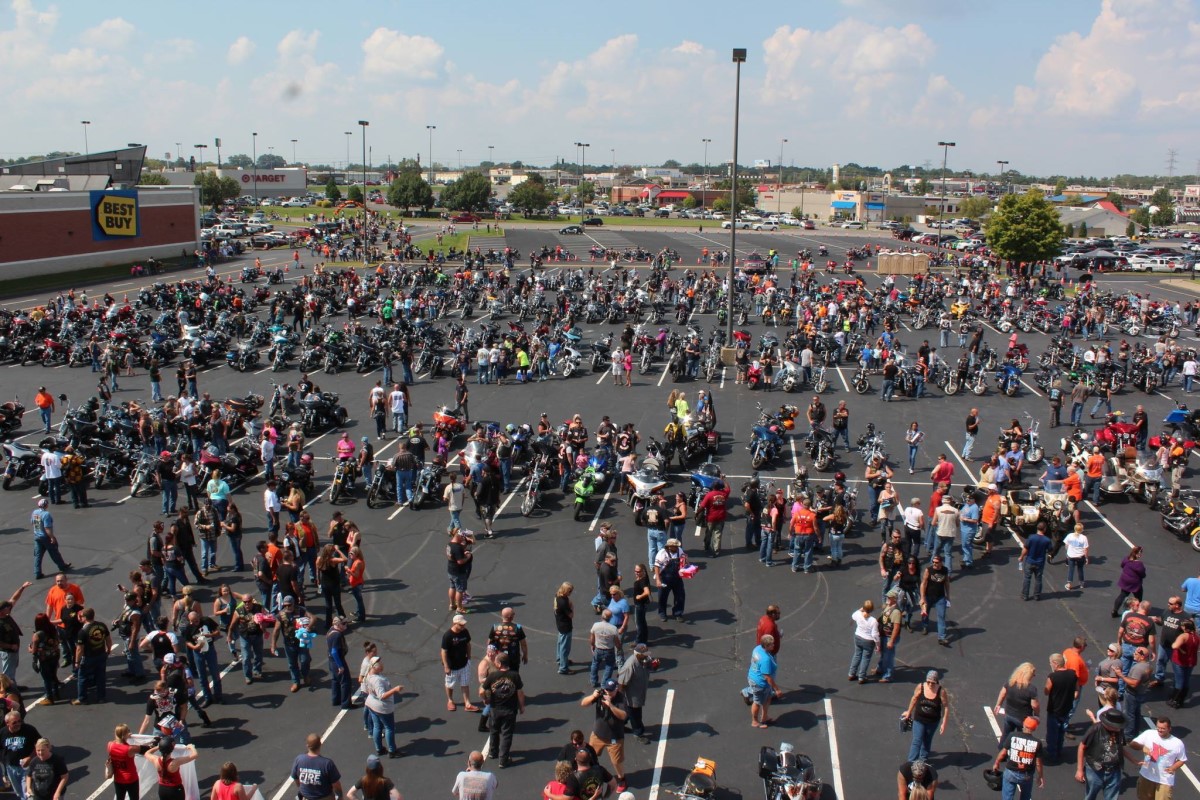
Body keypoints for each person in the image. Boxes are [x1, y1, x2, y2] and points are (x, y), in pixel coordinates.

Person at [581, 678, 629, 792]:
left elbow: (623, 716)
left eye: (611, 690)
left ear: (616, 689)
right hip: (598, 735)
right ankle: (591, 775)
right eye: (607, 689)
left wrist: (611, 705)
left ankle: (621, 779)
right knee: (590, 756)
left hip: (614, 737)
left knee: (616, 761)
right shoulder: (600, 695)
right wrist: (593, 696)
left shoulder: (622, 699)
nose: (608, 692)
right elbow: (583, 703)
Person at [480, 652, 524, 769]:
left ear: (499, 664)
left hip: (495, 709)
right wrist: (522, 706)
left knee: (494, 731)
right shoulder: (515, 676)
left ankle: (493, 752)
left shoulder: (492, 676)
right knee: (506, 734)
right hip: (509, 710)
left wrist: (486, 700)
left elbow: (481, 691)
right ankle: (503, 760)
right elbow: (520, 692)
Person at [1129, 716, 1187, 799]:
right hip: (1146, 776)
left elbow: (1182, 759)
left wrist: (1173, 767)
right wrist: (1142, 747)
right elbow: (1132, 744)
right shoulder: (1149, 733)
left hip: (1164, 781)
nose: (1160, 730)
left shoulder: (1177, 743)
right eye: (1158, 727)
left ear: (1169, 729)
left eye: (1163, 728)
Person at [1075, 709, 1126, 800]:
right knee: (1090, 796)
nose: (1119, 728)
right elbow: (1082, 747)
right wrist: (1079, 770)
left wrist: (1134, 760)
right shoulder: (1095, 729)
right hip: (1095, 771)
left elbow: (1121, 748)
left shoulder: (1119, 731)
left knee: (1112, 797)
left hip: (1114, 771)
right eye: (1116, 726)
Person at [991, 717, 1045, 800]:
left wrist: (996, 763)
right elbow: (1038, 763)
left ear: (1024, 725)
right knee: (1026, 796)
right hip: (1026, 775)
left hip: (1011, 772)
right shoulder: (1037, 742)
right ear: (1034, 728)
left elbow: (1003, 752)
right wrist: (1040, 776)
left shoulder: (1013, 736)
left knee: (1007, 797)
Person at [902, 671, 948, 763]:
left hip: (932, 722)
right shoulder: (921, 687)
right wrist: (909, 712)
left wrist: (944, 723)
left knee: (927, 741)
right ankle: (911, 763)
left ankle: (923, 761)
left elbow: (945, 707)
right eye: (928, 682)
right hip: (919, 719)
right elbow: (914, 699)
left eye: (933, 682)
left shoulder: (941, 691)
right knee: (917, 741)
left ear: (936, 682)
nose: (930, 684)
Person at [363, 656, 403, 758]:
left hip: (372, 704)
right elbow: (382, 696)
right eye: (380, 664)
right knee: (389, 728)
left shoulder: (369, 675)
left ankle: (379, 749)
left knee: (377, 726)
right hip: (383, 708)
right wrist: (395, 689)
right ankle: (392, 750)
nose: (382, 665)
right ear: (375, 667)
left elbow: (367, 690)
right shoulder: (377, 680)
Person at [1044, 653, 1079, 762]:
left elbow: (1046, 691)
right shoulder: (1073, 674)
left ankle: (1052, 754)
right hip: (1066, 708)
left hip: (1054, 709)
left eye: (1051, 663)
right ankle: (1059, 750)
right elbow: (1076, 691)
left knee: (1052, 734)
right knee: (1061, 732)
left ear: (1055, 663)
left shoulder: (1052, 677)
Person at [72, 607, 111, 704]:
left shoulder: (83, 631)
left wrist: (77, 661)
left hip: (88, 657)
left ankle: (82, 698)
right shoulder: (102, 625)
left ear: (85, 617)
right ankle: (101, 697)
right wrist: (108, 650)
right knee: (100, 677)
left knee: (82, 678)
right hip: (101, 654)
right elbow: (108, 639)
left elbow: (80, 649)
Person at [441, 614, 478, 712]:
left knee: (465, 683)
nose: (463, 627)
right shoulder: (448, 635)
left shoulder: (465, 632)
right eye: (460, 625)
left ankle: (467, 703)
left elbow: (468, 644)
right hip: (452, 666)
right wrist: (446, 666)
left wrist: (469, 657)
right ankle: (450, 700)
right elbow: (443, 651)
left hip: (464, 663)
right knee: (450, 684)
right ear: (455, 623)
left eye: (463, 625)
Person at [291, 733, 344, 800]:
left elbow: (296, 779)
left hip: (306, 797)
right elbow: (336, 785)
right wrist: (340, 797)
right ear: (320, 744)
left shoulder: (299, 760)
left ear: (307, 745)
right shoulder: (327, 764)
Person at [1, 711, 40, 800]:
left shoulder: (29, 730)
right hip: (11, 768)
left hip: (27, 768)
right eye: (14, 722)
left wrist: (30, 757)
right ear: (7, 723)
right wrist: (5, 771)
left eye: (20, 721)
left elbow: (41, 745)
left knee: (27, 793)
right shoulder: (2, 733)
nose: (18, 724)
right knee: (19, 793)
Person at [995, 662, 1041, 738]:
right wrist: (1036, 715)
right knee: (1021, 737)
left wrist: (998, 704)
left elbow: (1002, 693)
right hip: (1023, 719)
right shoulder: (1031, 689)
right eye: (1033, 674)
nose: (1033, 676)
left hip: (1009, 715)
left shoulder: (1010, 683)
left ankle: (1002, 748)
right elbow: (1034, 705)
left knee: (1006, 734)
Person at [617, 643, 651, 743]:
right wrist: (620, 697)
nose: (647, 655)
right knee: (635, 715)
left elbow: (648, 664)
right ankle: (638, 733)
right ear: (637, 654)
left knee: (628, 713)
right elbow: (621, 683)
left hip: (639, 692)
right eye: (644, 654)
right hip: (632, 696)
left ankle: (618, 726)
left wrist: (653, 665)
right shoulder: (630, 665)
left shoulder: (643, 659)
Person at [746, 633, 782, 728]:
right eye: (771, 644)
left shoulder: (757, 648)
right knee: (757, 702)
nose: (773, 645)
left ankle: (764, 717)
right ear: (766, 646)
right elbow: (767, 676)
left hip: (754, 678)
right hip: (760, 684)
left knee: (768, 697)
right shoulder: (765, 659)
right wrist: (777, 689)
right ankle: (755, 721)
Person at [108, 724, 151, 800]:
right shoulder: (130, 749)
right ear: (124, 735)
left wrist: (125, 736)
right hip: (131, 779)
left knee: (120, 798)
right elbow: (145, 748)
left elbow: (116, 741)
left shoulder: (110, 745)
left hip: (118, 779)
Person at [30, 500, 70, 580]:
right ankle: (62, 566)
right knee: (54, 552)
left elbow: (33, 523)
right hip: (45, 537)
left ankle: (37, 572)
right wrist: (51, 537)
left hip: (37, 537)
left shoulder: (35, 512)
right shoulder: (46, 514)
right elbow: (47, 527)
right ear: (46, 505)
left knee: (38, 555)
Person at [919, 555, 951, 647]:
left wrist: (948, 596)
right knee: (925, 613)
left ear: (941, 562)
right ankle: (925, 626)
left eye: (936, 562)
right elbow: (923, 583)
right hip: (928, 596)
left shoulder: (945, 570)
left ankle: (941, 637)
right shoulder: (928, 570)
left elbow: (947, 583)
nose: (934, 564)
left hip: (940, 597)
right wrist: (922, 597)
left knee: (941, 616)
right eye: (933, 562)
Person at [1169, 618, 1200, 708]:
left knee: (1179, 681)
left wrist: (1181, 649)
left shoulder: (1183, 636)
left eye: (1183, 626)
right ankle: (1181, 700)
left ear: (1186, 628)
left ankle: (1174, 700)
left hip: (1180, 661)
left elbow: (1174, 645)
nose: (1181, 627)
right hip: (1191, 661)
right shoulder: (1196, 636)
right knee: (1186, 681)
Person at [654, 538, 687, 621]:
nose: (676, 548)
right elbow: (657, 566)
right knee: (662, 597)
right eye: (674, 546)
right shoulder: (662, 553)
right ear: (669, 547)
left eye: (677, 546)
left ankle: (678, 613)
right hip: (665, 578)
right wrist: (658, 580)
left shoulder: (679, 550)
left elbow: (684, 561)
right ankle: (662, 614)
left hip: (677, 578)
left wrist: (686, 561)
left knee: (680, 596)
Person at [848, 599, 880, 684]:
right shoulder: (873, 621)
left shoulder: (858, 615)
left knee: (857, 655)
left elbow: (853, 615)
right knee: (865, 658)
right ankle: (862, 677)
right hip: (868, 641)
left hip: (858, 637)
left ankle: (851, 673)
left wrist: (861, 609)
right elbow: (875, 635)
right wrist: (878, 645)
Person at [589, 609, 621, 689]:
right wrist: (619, 648)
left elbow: (592, 638)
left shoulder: (596, 625)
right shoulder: (613, 628)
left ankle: (593, 681)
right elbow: (617, 642)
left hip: (598, 648)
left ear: (602, 616)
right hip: (609, 650)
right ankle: (604, 683)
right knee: (609, 666)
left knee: (595, 664)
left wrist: (592, 645)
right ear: (610, 618)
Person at [1019, 523, 1051, 601]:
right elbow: (1050, 550)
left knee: (1027, 578)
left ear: (1037, 528)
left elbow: (1025, 549)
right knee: (1038, 579)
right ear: (1045, 529)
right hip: (1040, 562)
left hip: (1030, 560)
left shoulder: (1031, 538)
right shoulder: (1047, 540)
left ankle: (1025, 595)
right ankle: (1037, 595)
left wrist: (1021, 557)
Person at [1112, 546, 1147, 618]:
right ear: (1137, 554)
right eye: (1140, 553)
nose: (1141, 555)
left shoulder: (1126, 559)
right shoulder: (1139, 564)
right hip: (1135, 583)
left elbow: (1122, 565)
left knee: (1122, 595)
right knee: (1138, 598)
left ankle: (1114, 610)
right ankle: (1139, 612)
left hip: (1125, 581)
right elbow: (1142, 574)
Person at [328, 617, 352, 709]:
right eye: (344, 623)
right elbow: (334, 651)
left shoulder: (331, 630)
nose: (346, 625)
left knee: (335, 680)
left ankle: (336, 700)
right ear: (338, 625)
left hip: (331, 660)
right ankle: (346, 703)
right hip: (337, 660)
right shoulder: (337, 635)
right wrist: (340, 665)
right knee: (345, 681)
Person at [554, 583, 574, 675]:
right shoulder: (564, 602)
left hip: (560, 623)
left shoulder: (557, 596)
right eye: (570, 591)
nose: (570, 593)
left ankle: (560, 659)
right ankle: (563, 668)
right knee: (564, 647)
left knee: (560, 643)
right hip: (565, 626)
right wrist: (572, 607)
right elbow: (571, 615)